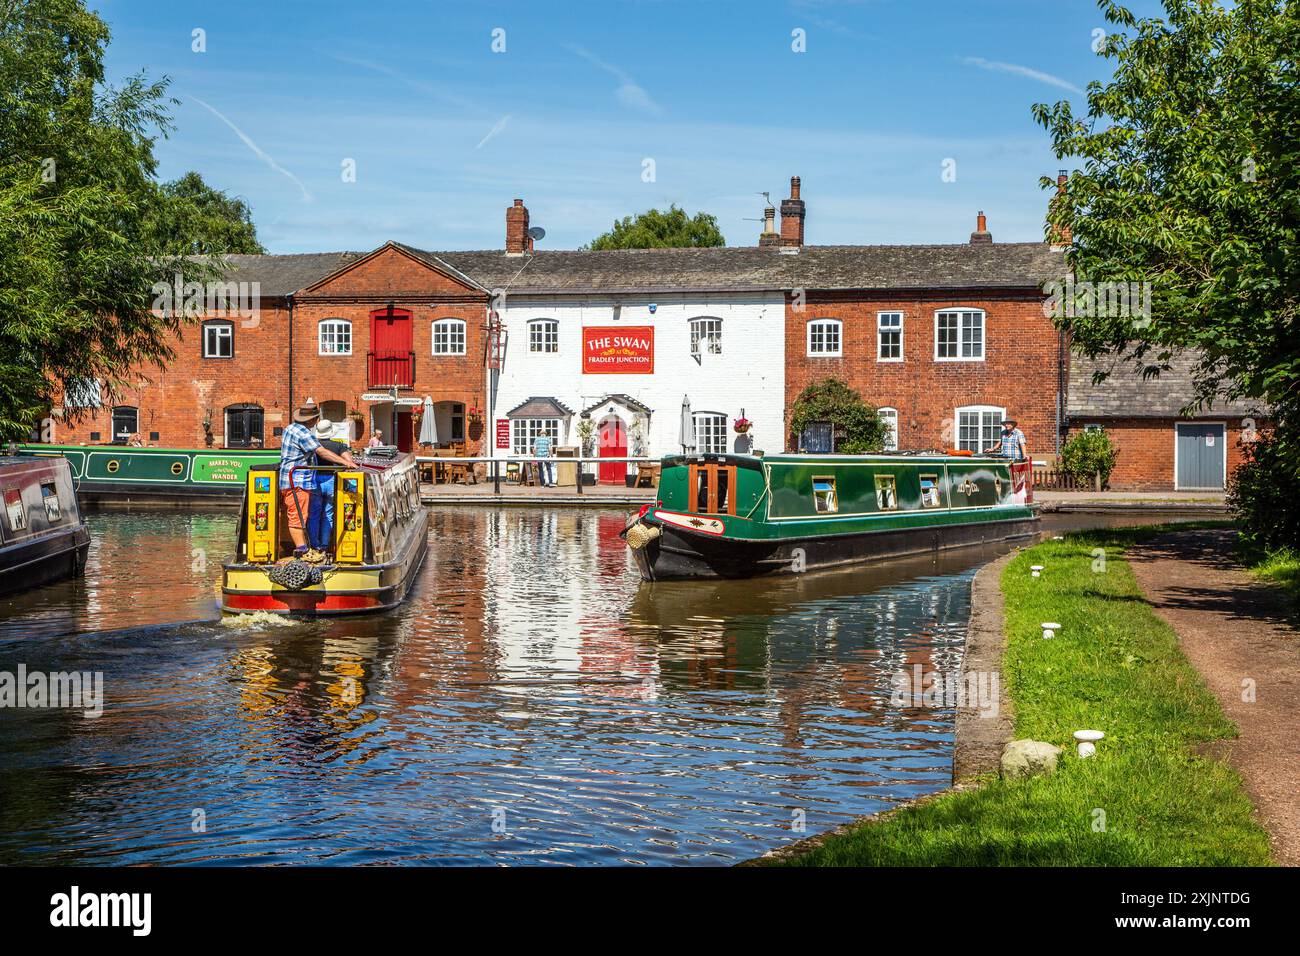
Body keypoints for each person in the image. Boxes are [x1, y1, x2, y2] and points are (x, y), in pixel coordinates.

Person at [279, 402, 355, 563]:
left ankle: (311, 547)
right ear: (313, 419)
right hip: (298, 481)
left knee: (307, 515)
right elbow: (320, 451)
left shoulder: (290, 428)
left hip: (294, 480)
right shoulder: (303, 433)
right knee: (298, 516)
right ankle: (304, 551)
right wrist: (345, 463)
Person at [307, 418, 350, 554]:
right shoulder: (339, 446)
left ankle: (315, 545)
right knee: (328, 514)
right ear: (331, 432)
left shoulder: (313, 445)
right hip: (331, 480)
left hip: (314, 481)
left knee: (313, 514)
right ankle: (325, 545)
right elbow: (349, 461)